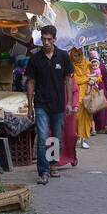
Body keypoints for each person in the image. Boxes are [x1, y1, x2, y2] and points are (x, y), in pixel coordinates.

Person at [25, 25, 75, 185]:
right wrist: (30, 107)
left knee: (56, 138)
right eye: (43, 39)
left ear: (54, 39)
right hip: (40, 103)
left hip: (58, 103)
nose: (45, 42)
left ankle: (53, 164)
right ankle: (43, 171)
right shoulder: (35, 58)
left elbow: (68, 80)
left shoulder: (63, 56)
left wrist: (69, 102)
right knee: (42, 138)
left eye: (49, 39)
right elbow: (30, 82)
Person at [71, 48, 95, 149]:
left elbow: (97, 75)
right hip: (76, 95)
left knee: (87, 118)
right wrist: (87, 78)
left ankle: (84, 139)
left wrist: (93, 80)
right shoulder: (70, 65)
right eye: (75, 56)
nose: (78, 58)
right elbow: (74, 79)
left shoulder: (88, 64)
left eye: (79, 55)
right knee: (76, 117)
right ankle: (76, 136)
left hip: (88, 94)